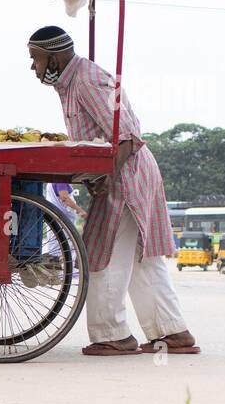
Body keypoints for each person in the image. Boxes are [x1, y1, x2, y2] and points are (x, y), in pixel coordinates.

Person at [28, 26, 199, 356]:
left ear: (54, 56)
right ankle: (172, 332)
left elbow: (127, 135)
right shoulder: (71, 82)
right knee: (141, 259)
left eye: (35, 59)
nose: (33, 67)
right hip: (127, 172)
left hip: (126, 173)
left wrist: (106, 175)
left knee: (103, 255)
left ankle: (113, 334)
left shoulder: (87, 80)